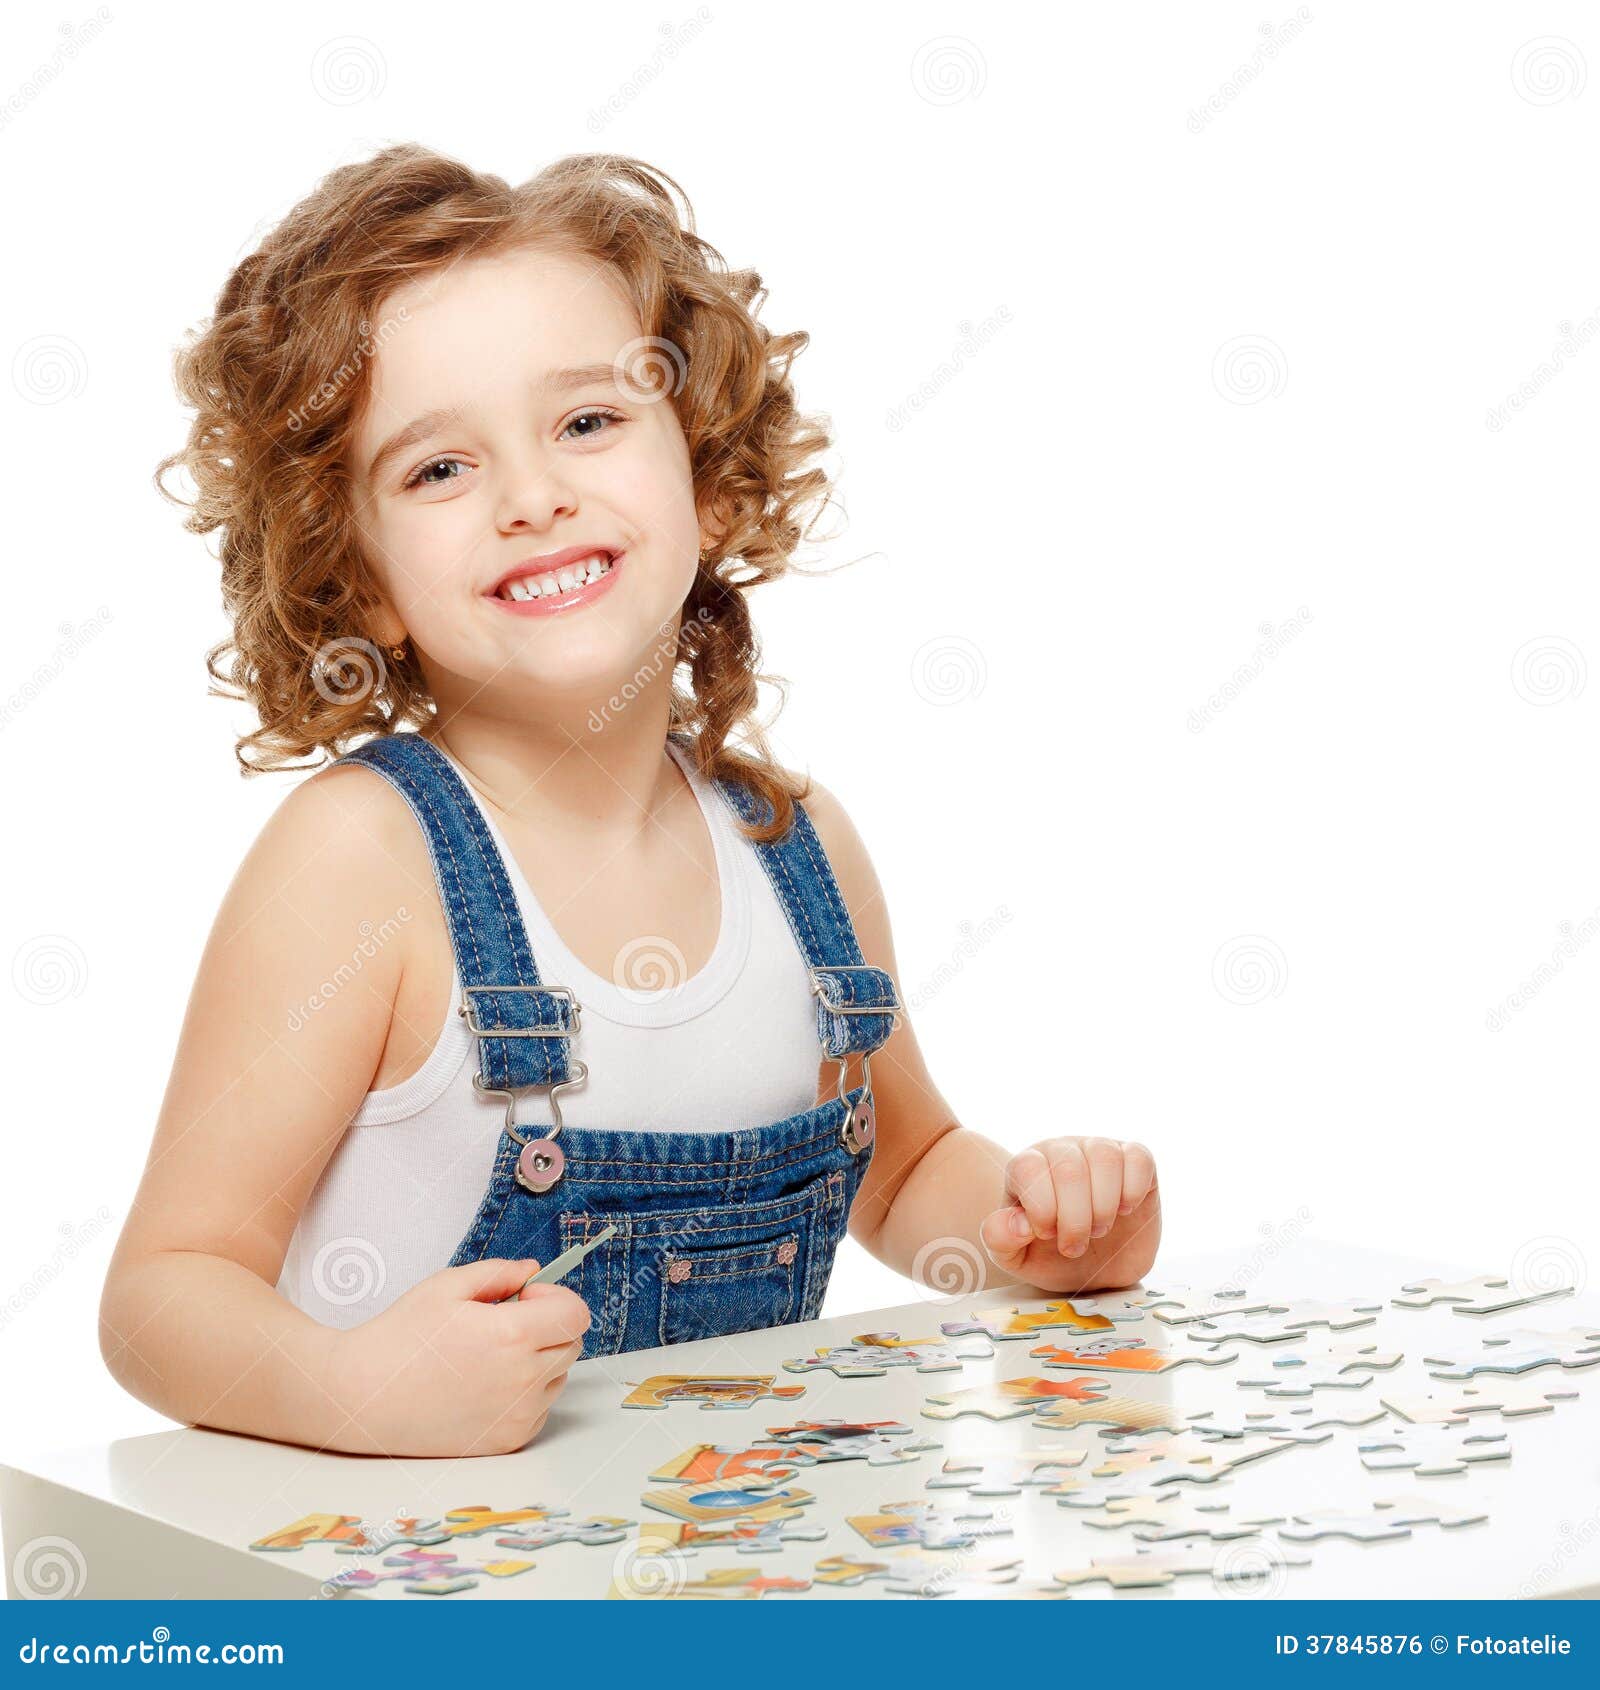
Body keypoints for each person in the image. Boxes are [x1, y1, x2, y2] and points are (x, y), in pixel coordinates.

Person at [98, 144, 1160, 1460]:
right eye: (439, 469)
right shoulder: (360, 861)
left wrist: (1034, 1232)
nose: (534, 497)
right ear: (358, 576)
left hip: (756, 1553)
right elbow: (162, 1294)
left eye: (588, 422)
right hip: (436, 1570)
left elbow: (905, 1170)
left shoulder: (796, 846)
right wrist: (356, 1387)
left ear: (706, 477)